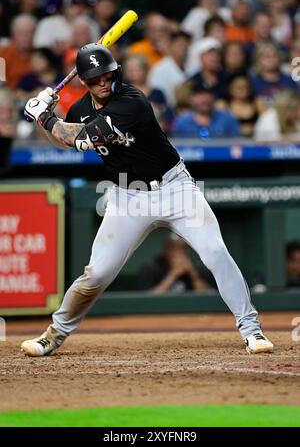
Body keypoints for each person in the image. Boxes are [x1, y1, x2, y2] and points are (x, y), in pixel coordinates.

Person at [21, 43, 274, 356]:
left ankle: (252, 331)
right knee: (96, 274)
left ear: (117, 72)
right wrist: (47, 117)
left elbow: (84, 139)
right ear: (84, 81)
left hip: (175, 188)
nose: (103, 82)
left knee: (215, 252)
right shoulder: (81, 109)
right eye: (95, 78)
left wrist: (44, 117)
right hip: (127, 195)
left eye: (107, 74)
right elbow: (65, 143)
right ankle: (53, 335)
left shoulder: (132, 100)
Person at [137, 233, 216, 293]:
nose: (176, 254)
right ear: (165, 250)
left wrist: (193, 274)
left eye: (181, 250)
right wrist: (173, 275)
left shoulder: (196, 268)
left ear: (186, 252)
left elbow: (207, 297)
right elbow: (147, 300)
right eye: (172, 249)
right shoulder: (151, 267)